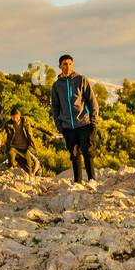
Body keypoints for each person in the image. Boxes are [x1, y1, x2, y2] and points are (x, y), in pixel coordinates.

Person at [50, 55, 99, 190]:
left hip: (85, 123)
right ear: (60, 66)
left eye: (70, 64)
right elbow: (55, 107)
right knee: (74, 154)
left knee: (87, 151)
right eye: (65, 64)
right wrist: (59, 126)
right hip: (67, 127)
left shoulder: (81, 80)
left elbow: (92, 101)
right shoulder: (56, 86)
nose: (68, 66)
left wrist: (94, 121)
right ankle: (77, 182)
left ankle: (92, 180)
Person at [0, 107, 50, 176]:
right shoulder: (8, 124)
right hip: (14, 148)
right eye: (13, 118)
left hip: (26, 153)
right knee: (13, 160)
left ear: (19, 115)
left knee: (29, 165)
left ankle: (33, 175)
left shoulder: (26, 121)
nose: (15, 119)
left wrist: (50, 133)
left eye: (16, 117)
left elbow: (38, 126)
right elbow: (1, 133)